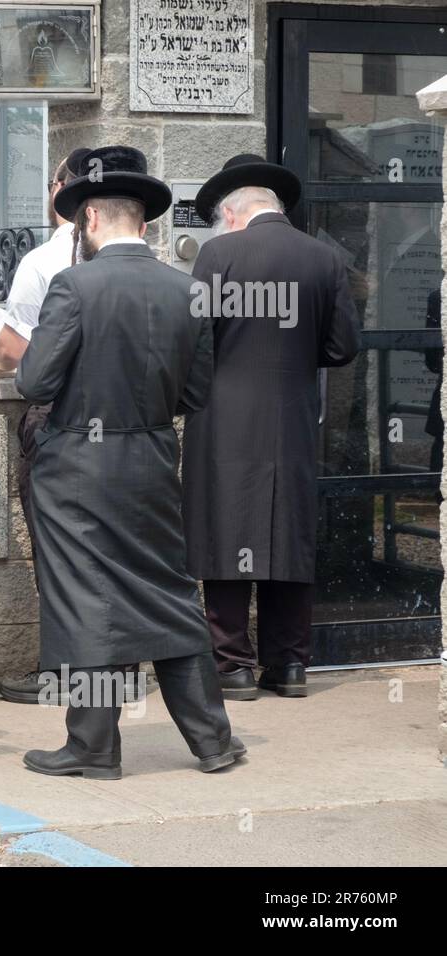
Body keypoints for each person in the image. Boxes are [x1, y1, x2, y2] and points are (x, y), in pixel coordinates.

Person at [16, 145, 245, 779]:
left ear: (89, 219)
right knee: (169, 594)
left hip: (75, 469)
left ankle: (92, 746)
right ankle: (212, 740)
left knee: (85, 601)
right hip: (151, 457)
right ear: (142, 223)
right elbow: (197, 395)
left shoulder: (74, 284)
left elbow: (35, 381)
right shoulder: (189, 289)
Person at [183, 155, 360, 699]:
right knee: (288, 535)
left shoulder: (217, 254)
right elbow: (343, 346)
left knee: (226, 532)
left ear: (232, 215)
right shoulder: (324, 259)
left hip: (223, 418)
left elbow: (193, 340)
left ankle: (233, 666)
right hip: (295, 420)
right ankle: (289, 666)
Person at [0, 147, 91, 706]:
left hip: (59, 424)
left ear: (60, 191)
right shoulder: (151, 266)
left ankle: (61, 671)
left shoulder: (43, 263)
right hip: (134, 432)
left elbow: (15, 357)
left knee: (58, 552)